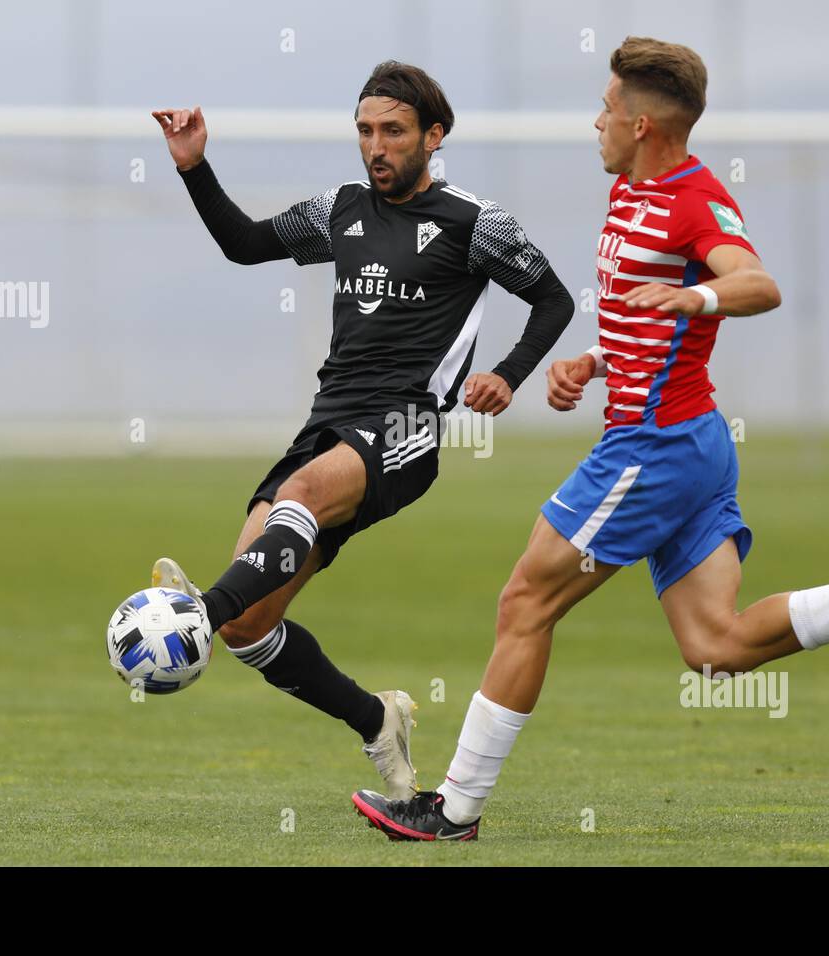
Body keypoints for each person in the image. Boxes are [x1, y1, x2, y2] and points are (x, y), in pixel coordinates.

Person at [352, 37, 829, 840]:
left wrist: (698, 297)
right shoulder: (630, 192)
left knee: (525, 602)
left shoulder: (694, 198)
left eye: (606, 109)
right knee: (716, 648)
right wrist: (594, 362)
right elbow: (645, 314)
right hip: (690, 442)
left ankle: (453, 810)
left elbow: (756, 283)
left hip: (652, 449)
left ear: (640, 124)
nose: (595, 120)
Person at [148, 60, 574, 798]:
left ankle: (193, 614)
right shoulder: (341, 207)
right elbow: (245, 244)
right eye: (366, 131)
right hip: (328, 420)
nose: (376, 146)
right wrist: (194, 168)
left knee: (287, 519)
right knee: (251, 627)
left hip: (406, 422)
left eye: (394, 131)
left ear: (433, 136)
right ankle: (375, 719)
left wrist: (507, 372)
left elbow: (554, 301)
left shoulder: (476, 223)